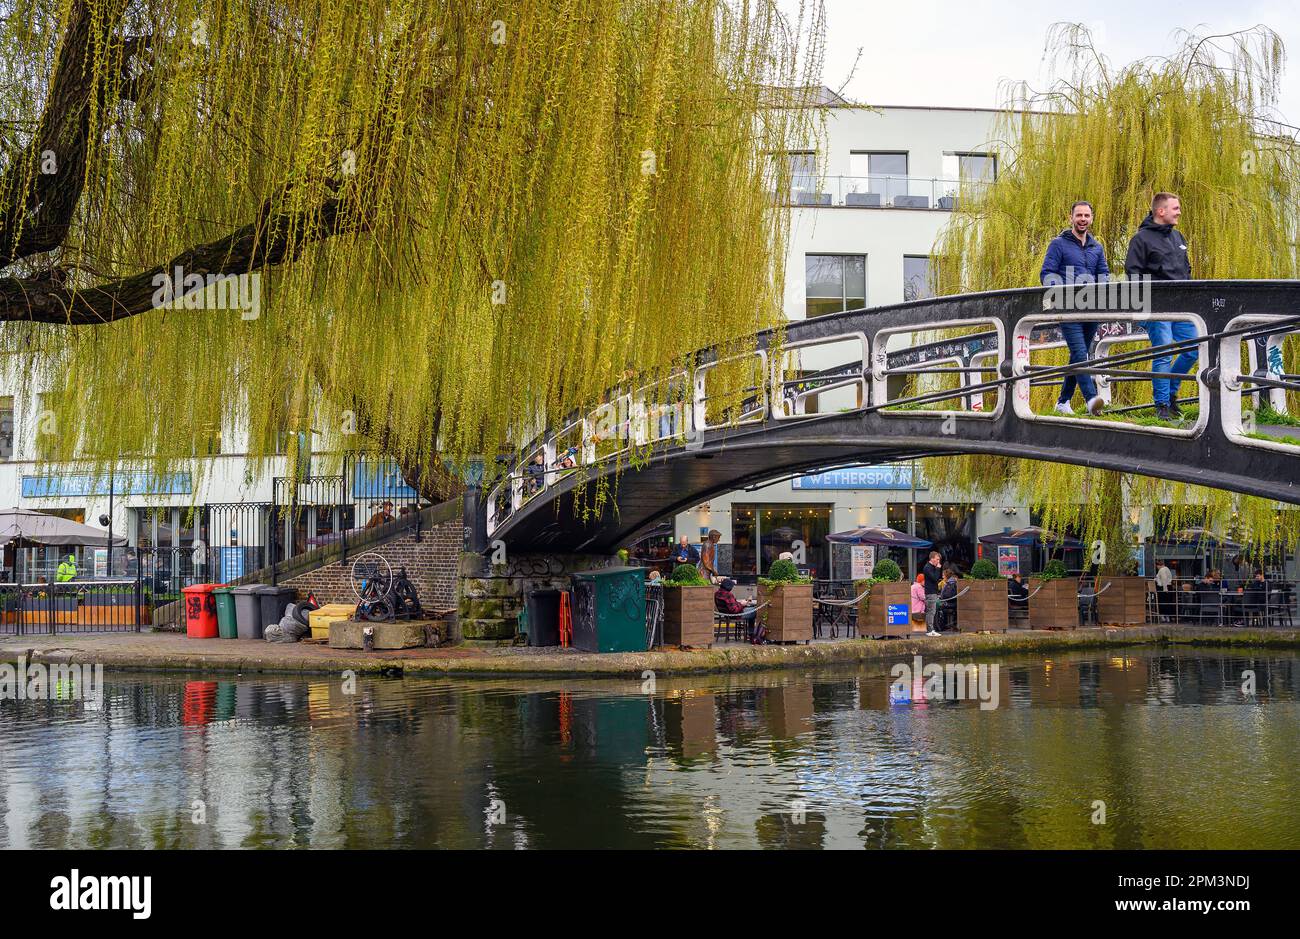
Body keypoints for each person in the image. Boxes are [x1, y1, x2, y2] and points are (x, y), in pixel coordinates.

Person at [1126, 192, 1196, 422]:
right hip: (1157, 308)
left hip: (1182, 308)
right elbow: (1132, 274)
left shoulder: (1178, 237)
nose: (1179, 211)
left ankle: (1172, 392)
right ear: (1160, 211)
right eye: (1175, 208)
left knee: (1193, 350)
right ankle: (1162, 405)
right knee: (1163, 353)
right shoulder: (1141, 240)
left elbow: (1186, 270)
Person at [1040, 200, 1109, 416]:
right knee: (1081, 352)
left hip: (1091, 309)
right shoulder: (1058, 244)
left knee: (1077, 355)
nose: (1083, 219)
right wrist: (1061, 293)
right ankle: (1091, 399)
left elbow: (1104, 274)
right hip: (1068, 309)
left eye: (1086, 216)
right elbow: (1046, 273)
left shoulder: (1097, 248)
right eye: (1079, 215)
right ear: (1071, 217)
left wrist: (1103, 291)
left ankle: (1063, 402)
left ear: (1091, 218)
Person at [922, 550, 943, 633]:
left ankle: (931, 629)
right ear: (932, 558)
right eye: (937, 559)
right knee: (931, 611)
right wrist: (938, 568)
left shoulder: (931, 567)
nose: (938, 561)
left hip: (932, 592)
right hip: (930, 592)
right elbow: (935, 578)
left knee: (931, 611)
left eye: (939, 560)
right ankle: (930, 629)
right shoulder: (927, 567)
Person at [935, 565, 961, 633]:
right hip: (950, 602)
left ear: (946, 576)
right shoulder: (950, 583)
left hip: (951, 603)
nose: (942, 577)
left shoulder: (951, 584)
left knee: (937, 606)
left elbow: (948, 595)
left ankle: (940, 626)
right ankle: (941, 625)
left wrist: (941, 597)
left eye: (943, 575)